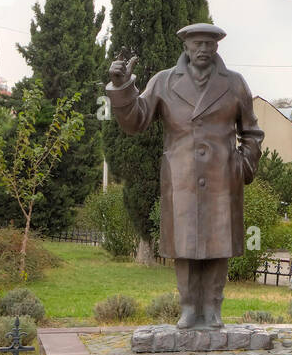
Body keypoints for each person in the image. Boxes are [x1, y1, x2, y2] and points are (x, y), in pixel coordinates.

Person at [107, 23, 265, 330]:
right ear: (186, 47)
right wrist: (122, 87)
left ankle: (214, 308)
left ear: (217, 47)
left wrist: (242, 167)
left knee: (220, 244)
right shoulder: (164, 82)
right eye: (197, 44)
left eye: (209, 43)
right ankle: (190, 308)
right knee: (186, 243)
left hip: (223, 178)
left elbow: (252, 132)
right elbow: (136, 121)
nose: (204, 49)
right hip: (181, 179)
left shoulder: (234, 83)